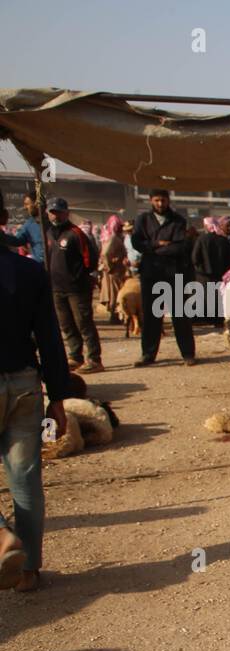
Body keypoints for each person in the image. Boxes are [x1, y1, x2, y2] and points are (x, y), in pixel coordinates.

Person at [0, 203, 72, 593]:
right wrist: (58, 397)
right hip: (26, 383)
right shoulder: (29, 271)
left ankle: (1, 538)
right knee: (25, 478)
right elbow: (49, 336)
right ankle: (28, 571)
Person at [132, 188, 195, 366]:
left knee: (180, 315)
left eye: (164, 200)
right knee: (151, 315)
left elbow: (180, 246)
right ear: (151, 200)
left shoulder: (178, 220)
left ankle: (188, 353)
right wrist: (157, 244)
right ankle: (148, 354)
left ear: (168, 201)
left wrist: (152, 248)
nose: (160, 204)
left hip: (174, 274)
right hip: (151, 274)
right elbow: (137, 243)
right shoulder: (142, 220)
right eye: (157, 200)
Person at [46, 198, 104, 374]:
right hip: (56, 288)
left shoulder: (75, 233)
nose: (55, 215)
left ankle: (94, 359)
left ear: (66, 213)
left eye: (58, 212)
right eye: (52, 212)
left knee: (83, 323)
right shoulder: (47, 232)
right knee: (67, 325)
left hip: (77, 288)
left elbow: (90, 260)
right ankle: (75, 356)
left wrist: (83, 278)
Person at [193, 217, 230, 328]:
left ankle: (203, 320)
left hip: (203, 276)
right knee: (219, 298)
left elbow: (195, 258)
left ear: (207, 226)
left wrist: (200, 269)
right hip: (220, 275)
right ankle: (218, 321)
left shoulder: (201, 239)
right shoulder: (224, 240)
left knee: (203, 298)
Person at [0, 192, 47, 263]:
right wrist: (2, 236)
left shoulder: (52, 221)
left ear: (37, 204)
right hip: (39, 267)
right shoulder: (29, 224)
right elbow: (17, 240)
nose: (25, 207)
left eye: (27, 204)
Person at [99, 215, 129, 323]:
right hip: (114, 271)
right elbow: (105, 253)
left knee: (114, 293)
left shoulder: (111, 238)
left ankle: (115, 315)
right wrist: (110, 266)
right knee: (115, 293)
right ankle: (114, 315)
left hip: (115, 270)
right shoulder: (113, 239)